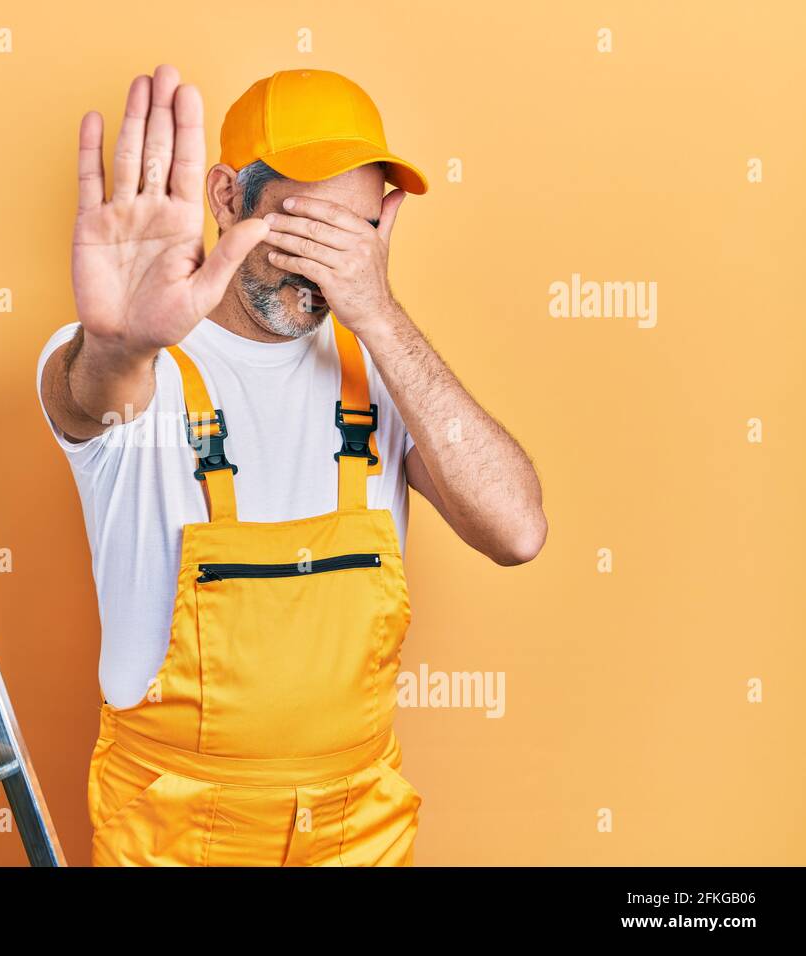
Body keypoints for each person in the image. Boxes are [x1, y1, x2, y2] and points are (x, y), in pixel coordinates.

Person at [37, 65, 547, 866]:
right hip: (174, 838)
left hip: (360, 834)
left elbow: (516, 531)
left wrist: (377, 310)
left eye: (348, 236)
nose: (321, 263)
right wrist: (116, 341)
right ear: (224, 198)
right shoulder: (137, 362)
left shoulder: (385, 369)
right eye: (299, 226)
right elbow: (83, 396)